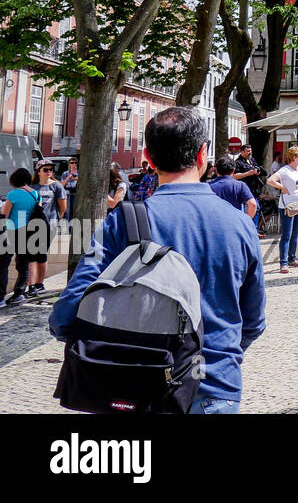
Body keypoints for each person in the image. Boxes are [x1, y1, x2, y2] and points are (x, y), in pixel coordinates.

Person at [50, 106, 265, 413]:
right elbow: (254, 321)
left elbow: (66, 315)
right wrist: (219, 352)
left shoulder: (121, 222)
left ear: (148, 159)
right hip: (215, 385)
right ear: (203, 154)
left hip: (137, 386)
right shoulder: (240, 224)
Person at [266, 146, 298, 274]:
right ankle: (283, 262)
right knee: (286, 235)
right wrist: (282, 187)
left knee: (295, 234)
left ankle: (292, 258)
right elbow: (270, 180)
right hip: (287, 206)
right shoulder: (285, 170)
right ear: (294, 157)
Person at [0, 168, 39, 306]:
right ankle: (19, 293)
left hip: (11, 232)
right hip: (29, 232)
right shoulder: (35, 194)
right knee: (23, 264)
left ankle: (0, 298)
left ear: (14, 180)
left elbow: (5, 214)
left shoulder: (13, 194)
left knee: (3, 265)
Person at [28, 159, 66, 295]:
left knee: (41, 253)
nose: (49, 172)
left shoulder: (56, 186)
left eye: (51, 169)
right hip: (33, 223)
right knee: (32, 253)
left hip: (50, 223)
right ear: (38, 172)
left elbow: (62, 207)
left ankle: (39, 283)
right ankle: (31, 285)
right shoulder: (32, 187)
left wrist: (55, 220)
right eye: (46, 169)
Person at [208, 154, 258, 219]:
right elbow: (253, 204)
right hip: (235, 223)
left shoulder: (208, 187)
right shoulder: (240, 186)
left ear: (216, 170)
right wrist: (245, 221)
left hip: (215, 223)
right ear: (233, 170)